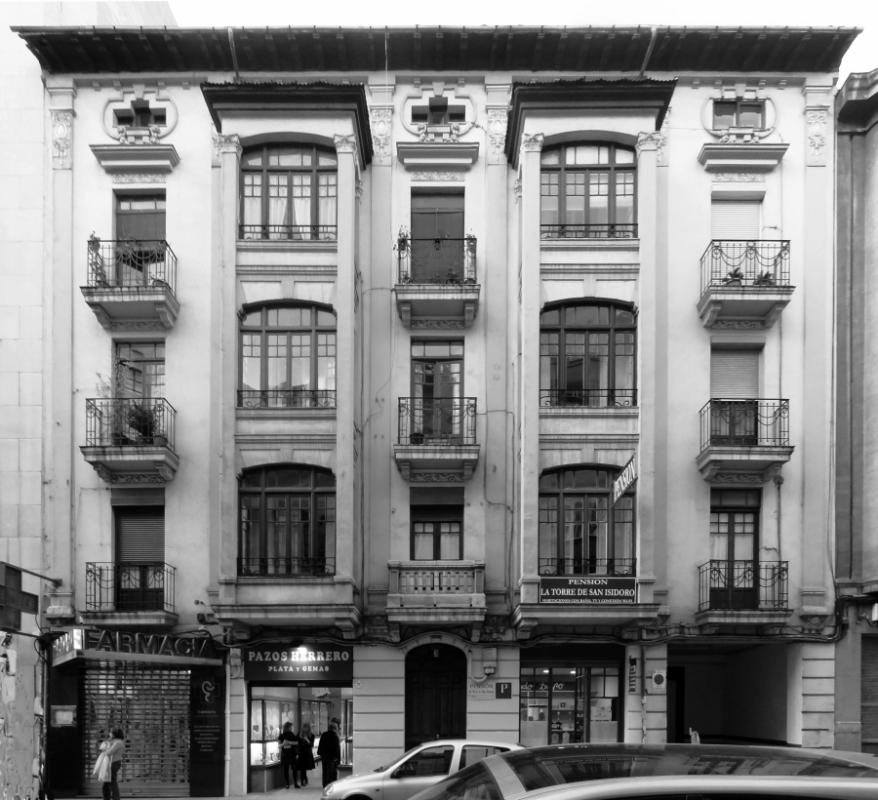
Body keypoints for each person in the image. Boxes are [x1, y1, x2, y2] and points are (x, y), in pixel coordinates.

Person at [101, 729, 125, 800]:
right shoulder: (116, 742)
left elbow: (109, 753)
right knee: (107, 783)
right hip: (113, 763)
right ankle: (107, 798)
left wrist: (104, 750)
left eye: (111, 733)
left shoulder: (118, 743)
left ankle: (116, 798)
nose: (109, 734)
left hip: (113, 764)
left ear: (114, 734)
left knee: (112, 782)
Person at [317, 719, 341, 788]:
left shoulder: (324, 734)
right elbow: (337, 749)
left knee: (325, 771)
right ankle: (331, 785)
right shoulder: (335, 736)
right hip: (332, 757)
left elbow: (320, 745)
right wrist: (338, 759)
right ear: (335, 729)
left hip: (324, 756)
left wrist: (320, 753)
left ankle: (324, 784)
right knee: (332, 772)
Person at [278, 721, 299, 788]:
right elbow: (279, 745)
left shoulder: (292, 734)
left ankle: (294, 783)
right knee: (286, 769)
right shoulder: (281, 735)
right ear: (288, 727)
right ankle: (287, 784)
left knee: (294, 769)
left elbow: (296, 743)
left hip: (292, 754)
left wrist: (289, 742)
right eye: (291, 727)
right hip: (285, 754)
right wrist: (283, 744)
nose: (292, 728)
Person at [296, 722, 316, 787]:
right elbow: (296, 743)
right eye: (304, 727)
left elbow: (311, 745)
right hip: (301, 753)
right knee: (302, 768)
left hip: (307, 753)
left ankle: (304, 779)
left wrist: (306, 739)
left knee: (304, 768)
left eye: (306, 728)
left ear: (308, 728)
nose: (305, 729)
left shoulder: (312, 735)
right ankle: (303, 780)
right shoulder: (299, 734)